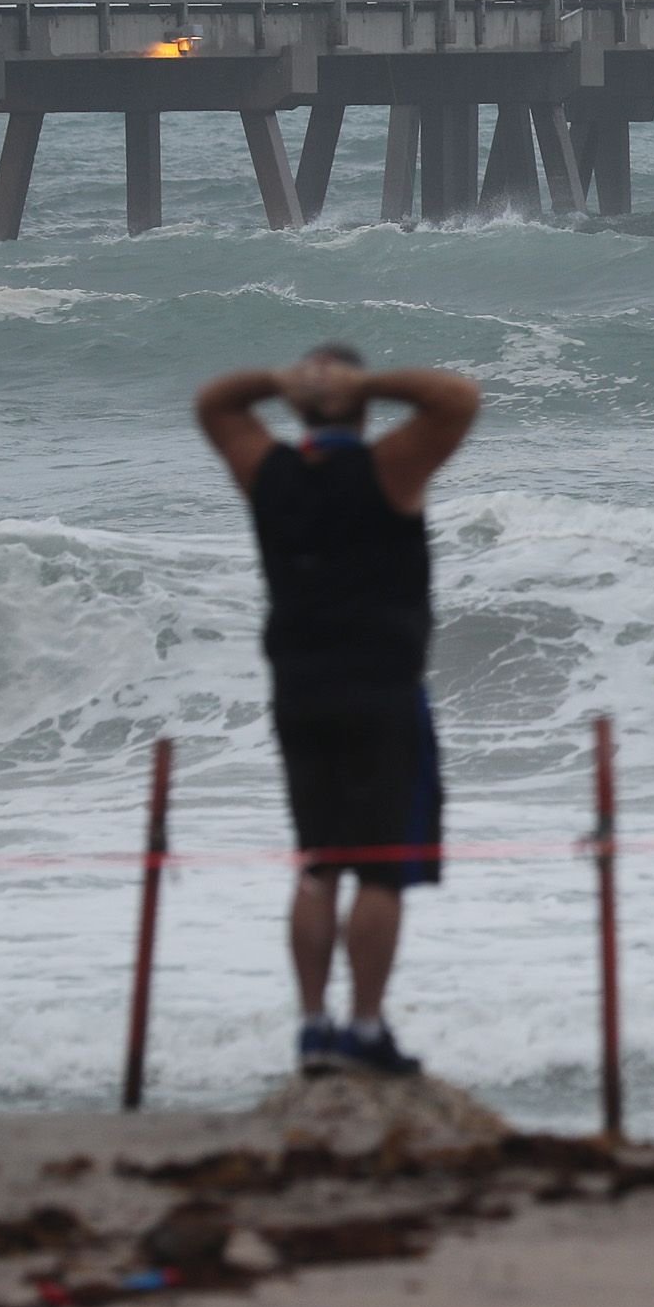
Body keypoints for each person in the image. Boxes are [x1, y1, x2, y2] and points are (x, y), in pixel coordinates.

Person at [195, 345, 481, 1078]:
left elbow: (214, 405)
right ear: (361, 406)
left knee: (319, 863)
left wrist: (273, 379)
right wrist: (377, 381)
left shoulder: (269, 471)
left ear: (295, 410)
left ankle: (314, 1027)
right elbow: (455, 398)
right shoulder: (388, 467)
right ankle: (363, 1028)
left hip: (299, 688)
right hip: (380, 690)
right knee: (381, 870)